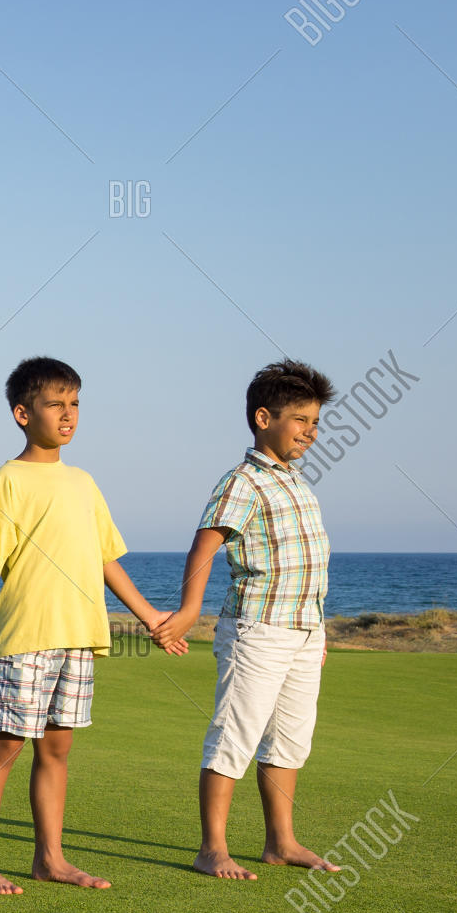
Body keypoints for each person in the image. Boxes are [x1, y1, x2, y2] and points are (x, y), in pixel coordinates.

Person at [0, 357, 184, 895]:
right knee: (5, 744)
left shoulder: (83, 482)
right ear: (21, 413)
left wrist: (150, 617)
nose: (68, 414)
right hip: (24, 636)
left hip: (78, 637)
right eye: (55, 404)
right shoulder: (7, 478)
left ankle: (49, 859)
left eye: (75, 403)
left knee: (56, 750)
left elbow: (105, 560)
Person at [155, 359, 341, 880]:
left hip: (304, 632)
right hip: (257, 631)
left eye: (316, 422)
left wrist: (316, 630)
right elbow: (205, 544)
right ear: (264, 417)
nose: (311, 431)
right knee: (235, 735)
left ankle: (280, 842)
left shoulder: (298, 482)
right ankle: (211, 848)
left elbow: (307, 563)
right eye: (301, 419)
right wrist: (189, 610)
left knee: (289, 739)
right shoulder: (244, 481)